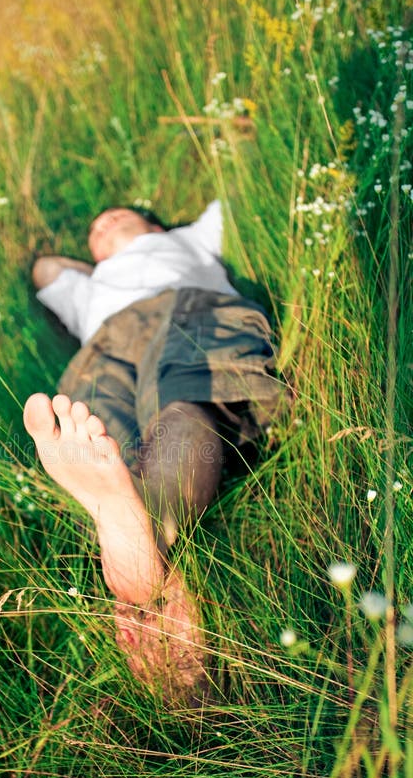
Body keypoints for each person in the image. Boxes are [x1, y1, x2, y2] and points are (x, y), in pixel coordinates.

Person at [23, 201, 285, 699]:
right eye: (94, 228)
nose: (103, 223)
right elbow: (47, 268)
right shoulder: (88, 289)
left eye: (118, 214)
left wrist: (141, 241)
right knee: (108, 441)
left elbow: (230, 198)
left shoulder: (191, 238)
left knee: (182, 403)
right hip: (103, 345)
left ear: (159, 223)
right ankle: (140, 521)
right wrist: (103, 261)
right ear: (91, 256)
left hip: (185, 305)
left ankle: (141, 534)